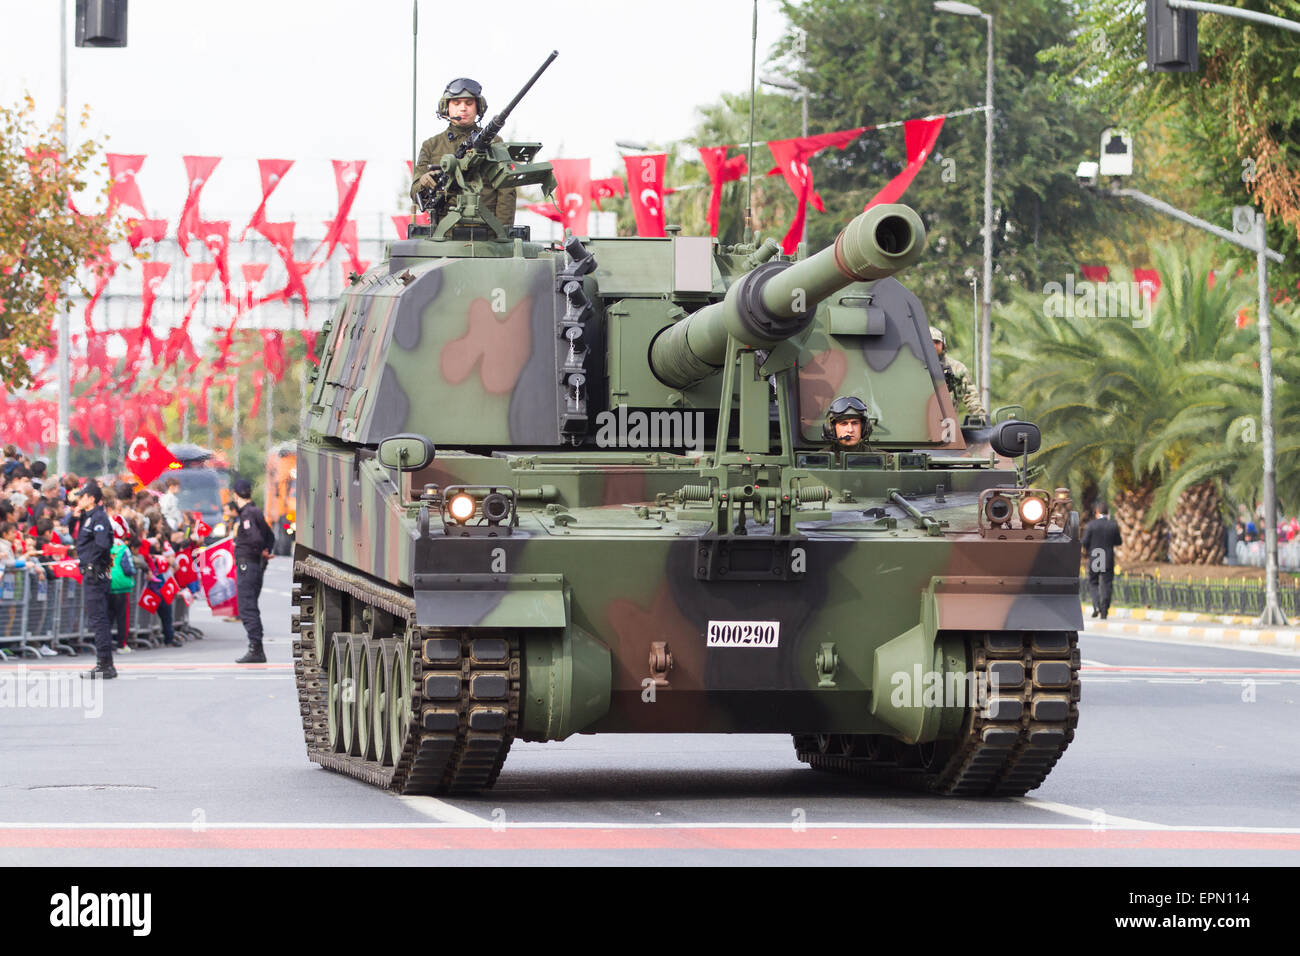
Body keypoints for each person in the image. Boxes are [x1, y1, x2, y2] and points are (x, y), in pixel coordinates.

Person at [410, 77, 517, 227]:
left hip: (487, 232)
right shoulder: (431, 145)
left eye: (469, 103)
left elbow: (506, 190)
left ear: (478, 107)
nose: (463, 108)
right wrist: (423, 181)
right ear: (446, 107)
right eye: (456, 103)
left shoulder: (495, 142)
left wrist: (502, 233)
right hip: (444, 233)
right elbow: (415, 192)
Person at [73, 480, 116, 679]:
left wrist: (92, 565)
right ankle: (105, 663)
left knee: (99, 619)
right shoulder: (88, 517)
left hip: (95, 575)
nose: (78, 500)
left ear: (91, 498)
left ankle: (105, 664)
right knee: (98, 619)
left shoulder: (98, 517)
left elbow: (102, 544)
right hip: (93, 573)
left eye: (82, 497)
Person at [232, 478, 275, 664]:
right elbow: (270, 536)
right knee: (250, 606)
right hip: (254, 565)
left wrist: (260, 551)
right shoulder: (256, 511)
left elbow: (255, 538)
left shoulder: (247, 514)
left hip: (247, 565)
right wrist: (266, 551)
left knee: (247, 606)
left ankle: (255, 648)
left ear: (235, 495)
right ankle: (256, 647)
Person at [930, 326, 986, 419]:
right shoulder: (914, 367)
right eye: (930, 342)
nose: (933, 346)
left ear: (943, 345)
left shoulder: (957, 368)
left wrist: (980, 418)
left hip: (946, 425)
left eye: (937, 342)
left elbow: (971, 395)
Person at [1081, 501, 1123, 619]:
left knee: (1093, 582)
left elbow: (1084, 542)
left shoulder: (1091, 525)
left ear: (1097, 512)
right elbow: (1118, 542)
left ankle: (1096, 606)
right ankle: (1104, 611)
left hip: (1095, 556)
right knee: (1106, 584)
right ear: (1107, 513)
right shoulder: (1113, 525)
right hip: (1108, 557)